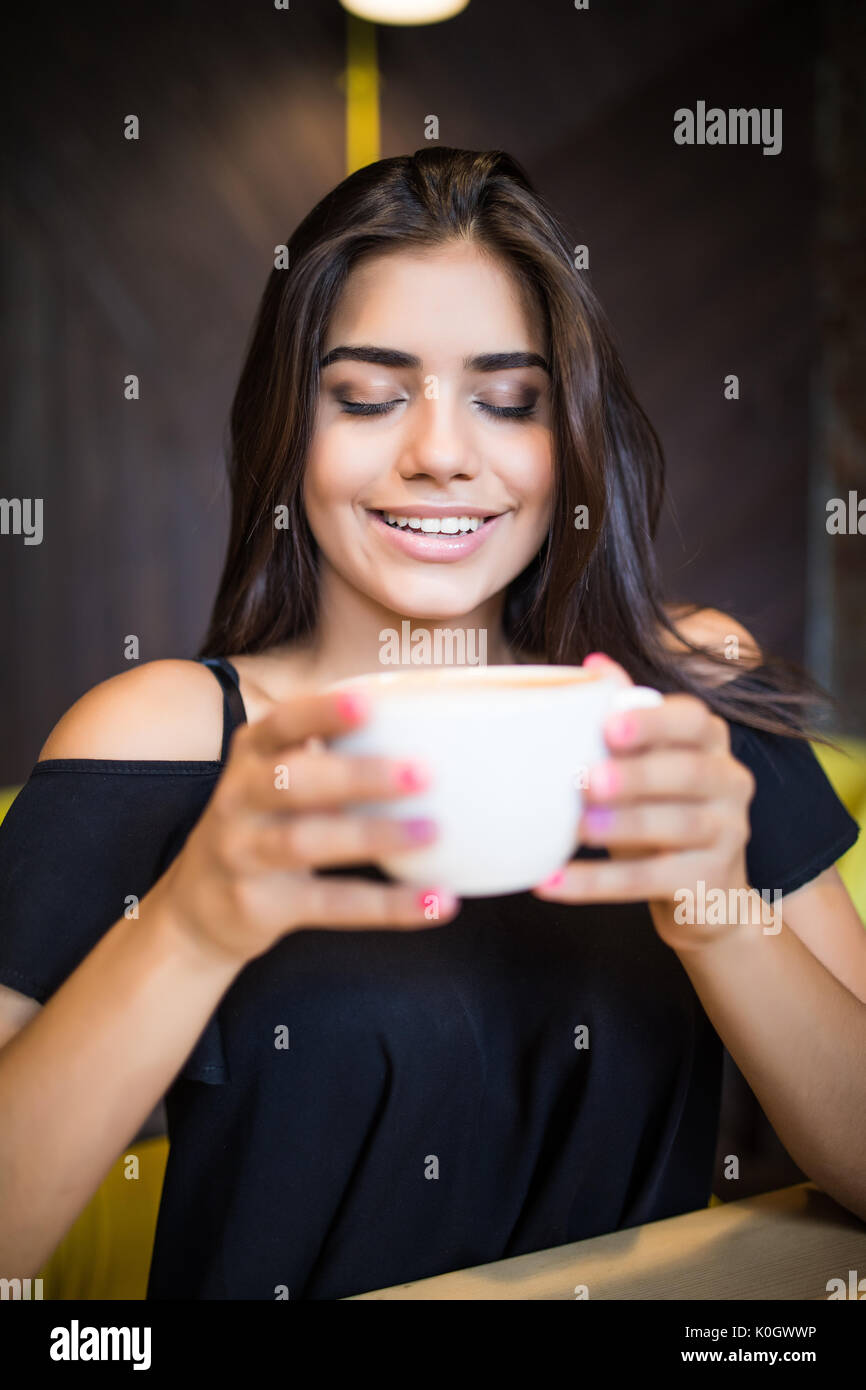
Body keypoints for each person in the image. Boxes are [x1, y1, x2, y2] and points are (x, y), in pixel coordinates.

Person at [0, 147, 863, 1301]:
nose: (441, 454)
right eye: (366, 396)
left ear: (569, 441)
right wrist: (193, 921)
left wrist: (714, 912)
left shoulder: (679, 695)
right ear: (287, 427)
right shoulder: (164, 733)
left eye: (508, 401)